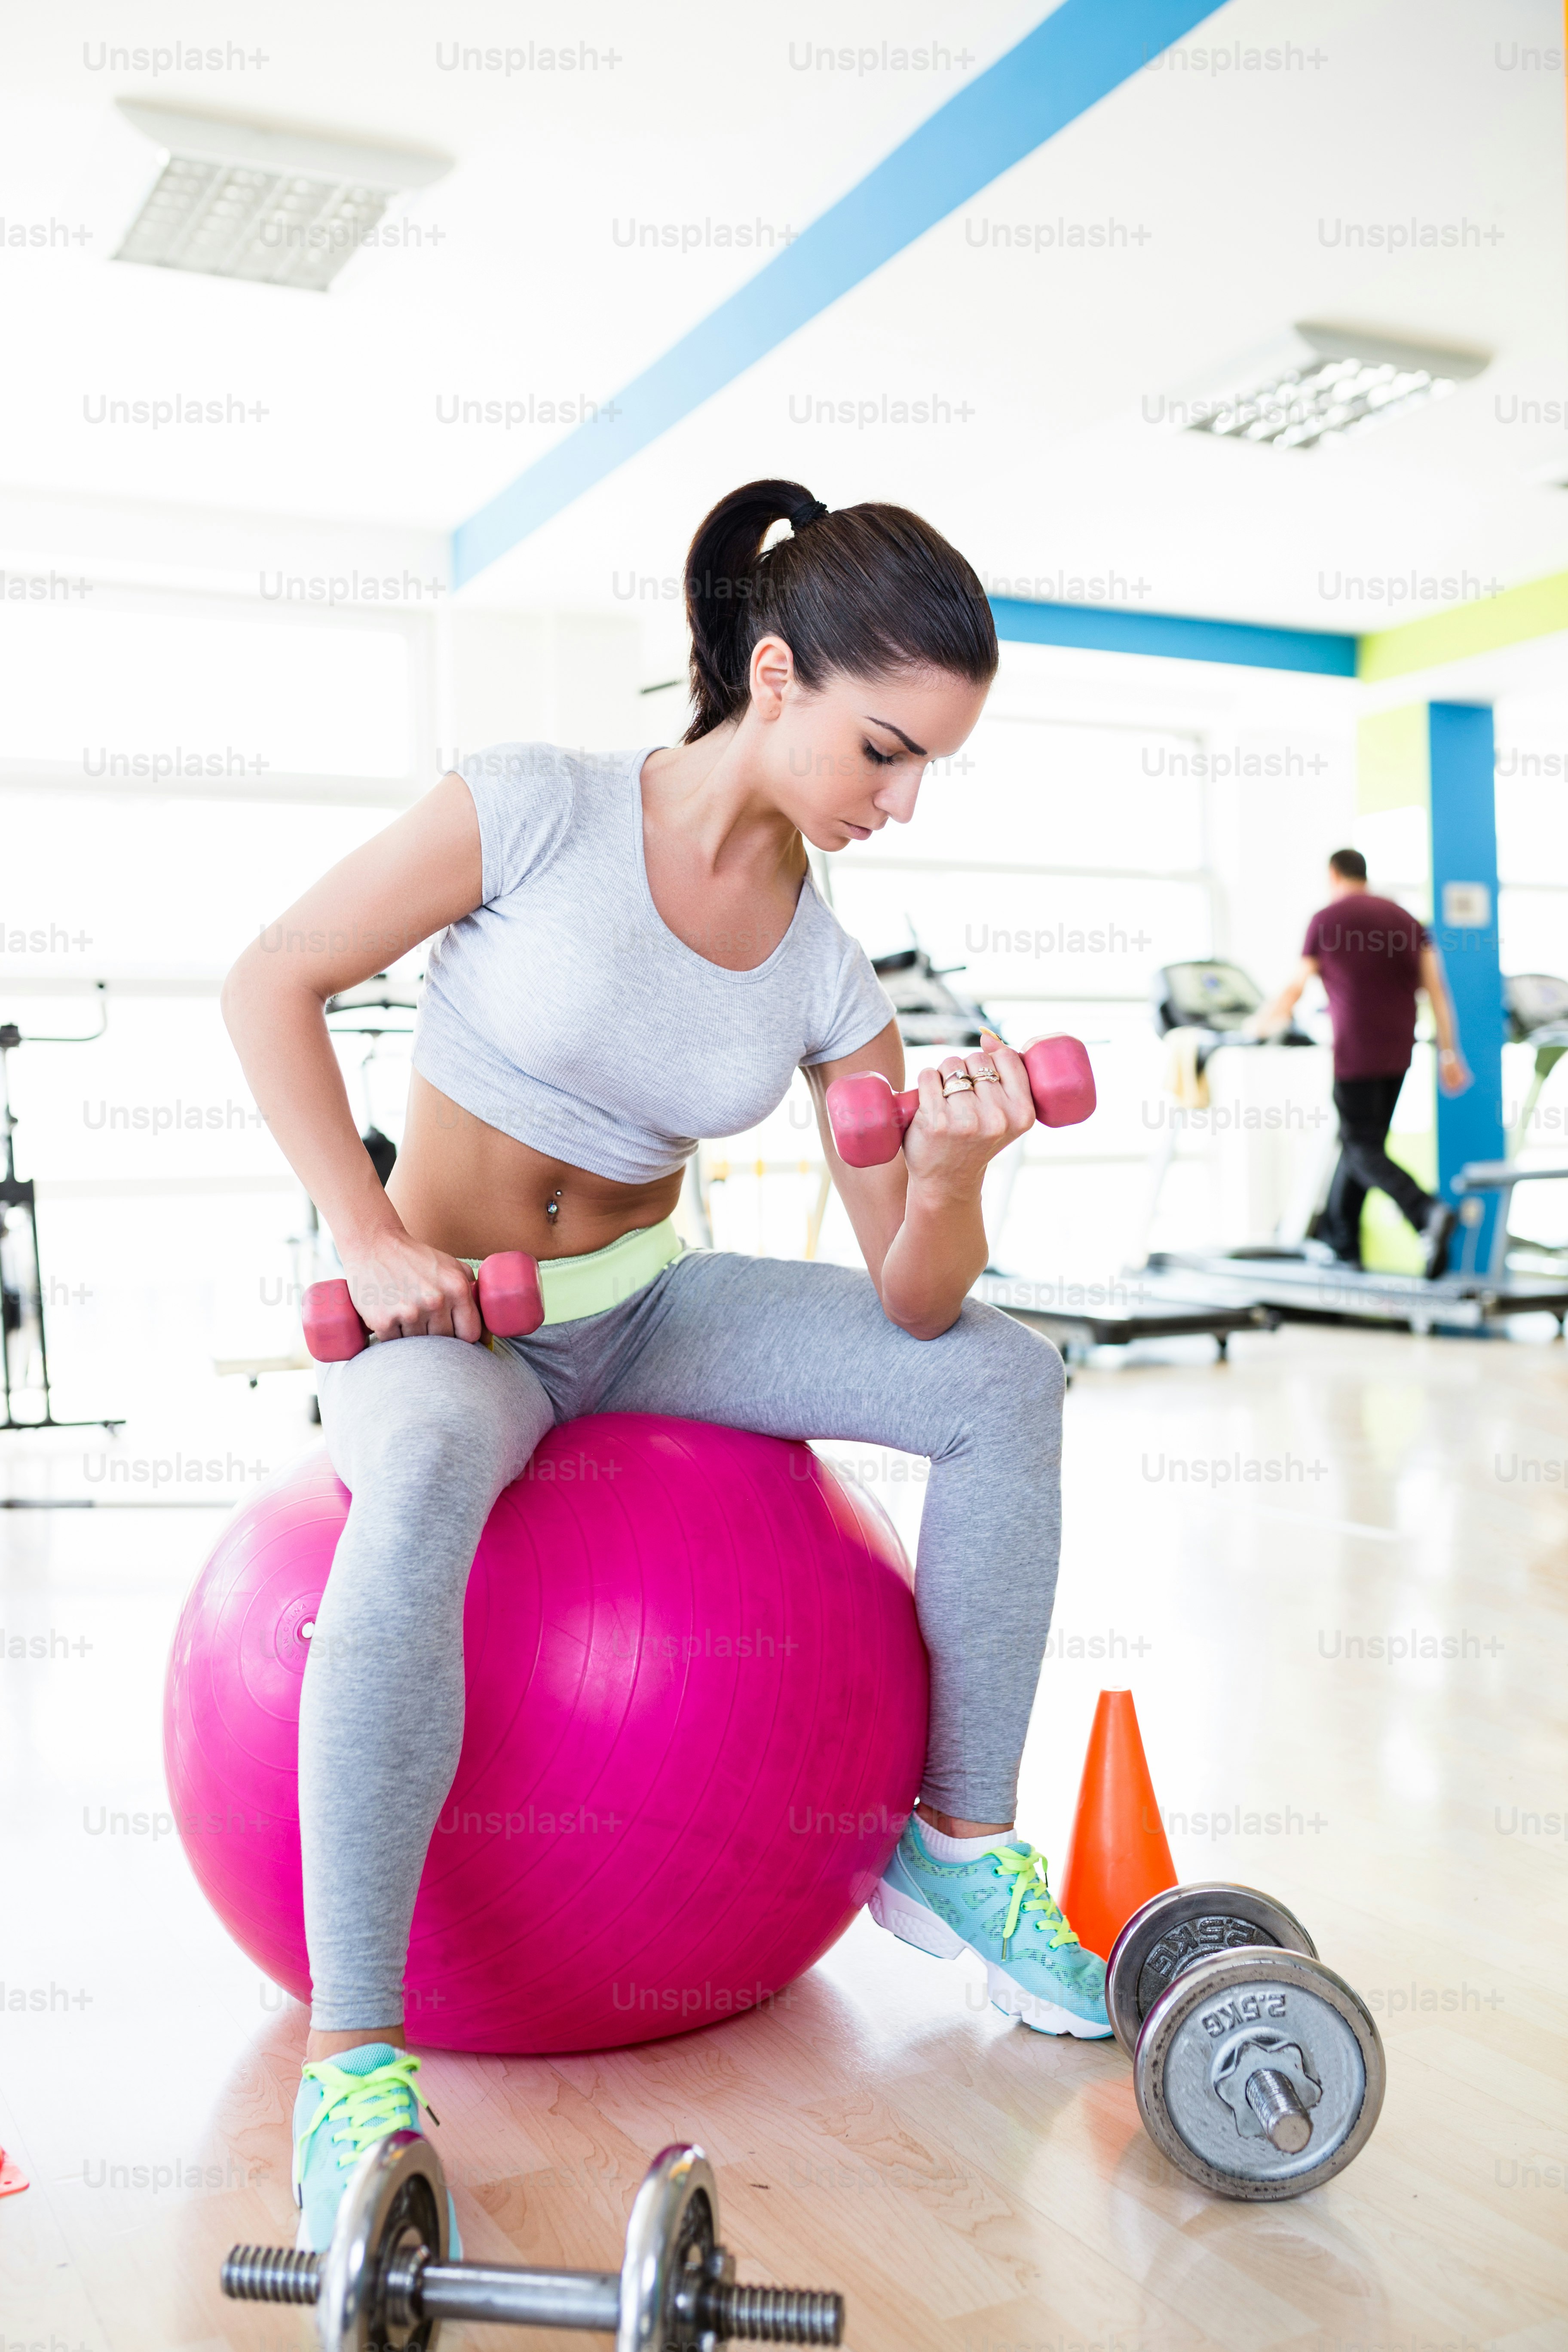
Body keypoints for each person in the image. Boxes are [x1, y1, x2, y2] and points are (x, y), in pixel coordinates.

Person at [222, 479, 1109, 2254]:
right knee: (412, 1496)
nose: (903, 801)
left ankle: (951, 1843)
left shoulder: (826, 970)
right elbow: (272, 979)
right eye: (884, 749)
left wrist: (950, 1175)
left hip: (653, 1310)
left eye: (931, 766)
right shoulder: (537, 806)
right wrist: (369, 1233)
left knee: (1005, 1382)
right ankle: (354, 2052)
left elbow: (917, 1305)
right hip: (455, 1325)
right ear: (770, 677)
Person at [1250, 847, 1470, 1275]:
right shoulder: (1406, 920)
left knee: (1361, 1146)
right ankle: (1343, 1242)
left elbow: (1296, 986)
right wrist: (1450, 1054)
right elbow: (1437, 991)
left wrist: (1260, 1023)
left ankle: (1426, 1212)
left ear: (1333, 874)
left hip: (1356, 1051)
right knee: (1362, 1146)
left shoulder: (1327, 919)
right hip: (1398, 1050)